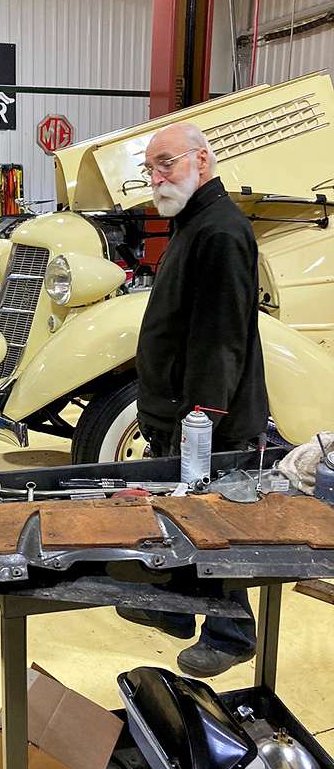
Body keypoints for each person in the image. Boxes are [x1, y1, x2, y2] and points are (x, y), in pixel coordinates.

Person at [117, 121, 269, 678]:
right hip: (178, 410)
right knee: (179, 513)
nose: (156, 177)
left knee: (213, 524)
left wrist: (200, 421)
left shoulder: (221, 231)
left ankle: (233, 634)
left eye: (166, 163)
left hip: (208, 419)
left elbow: (220, 338)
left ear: (201, 160)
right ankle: (176, 609)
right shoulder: (191, 222)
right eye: (149, 168)